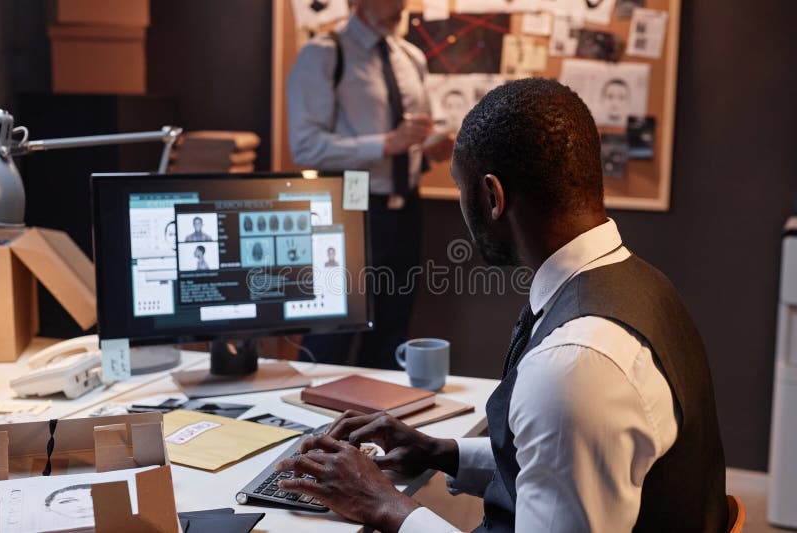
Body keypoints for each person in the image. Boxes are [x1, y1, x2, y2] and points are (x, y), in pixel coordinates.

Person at [275, 79, 728, 532]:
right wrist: (439, 451)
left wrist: (385, 505)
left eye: (459, 187)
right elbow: (557, 461)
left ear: (492, 197)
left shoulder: (574, 366)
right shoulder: (643, 286)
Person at [287, 0, 454, 369]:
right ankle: (314, 422)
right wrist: (385, 144)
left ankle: (375, 424)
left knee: (392, 332)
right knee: (333, 332)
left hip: (407, 207)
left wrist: (436, 144)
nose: (402, 5)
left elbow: (427, 127)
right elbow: (305, 145)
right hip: (349, 204)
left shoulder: (411, 57)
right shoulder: (324, 55)